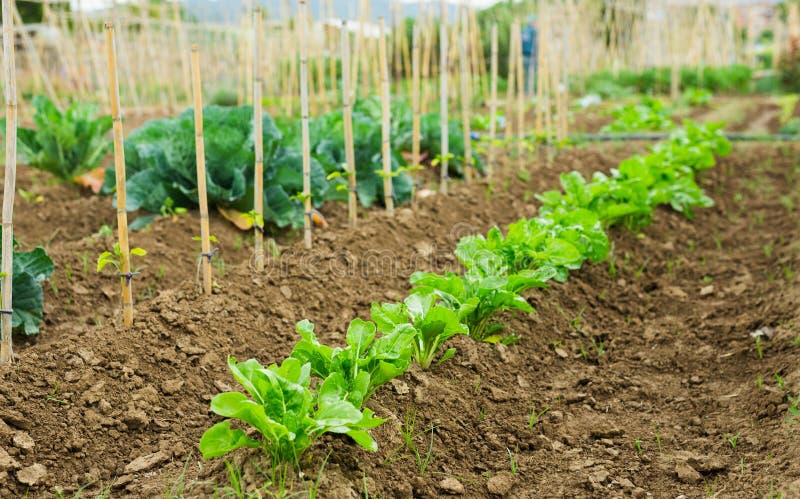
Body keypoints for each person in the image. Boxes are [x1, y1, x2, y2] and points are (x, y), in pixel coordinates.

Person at [521, 15, 538, 95]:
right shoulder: (534, 31)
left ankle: (527, 90)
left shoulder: (524, 30)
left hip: (524, 55)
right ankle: (531, 90)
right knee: (532, 74)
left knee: (527, 74)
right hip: (532, 55)